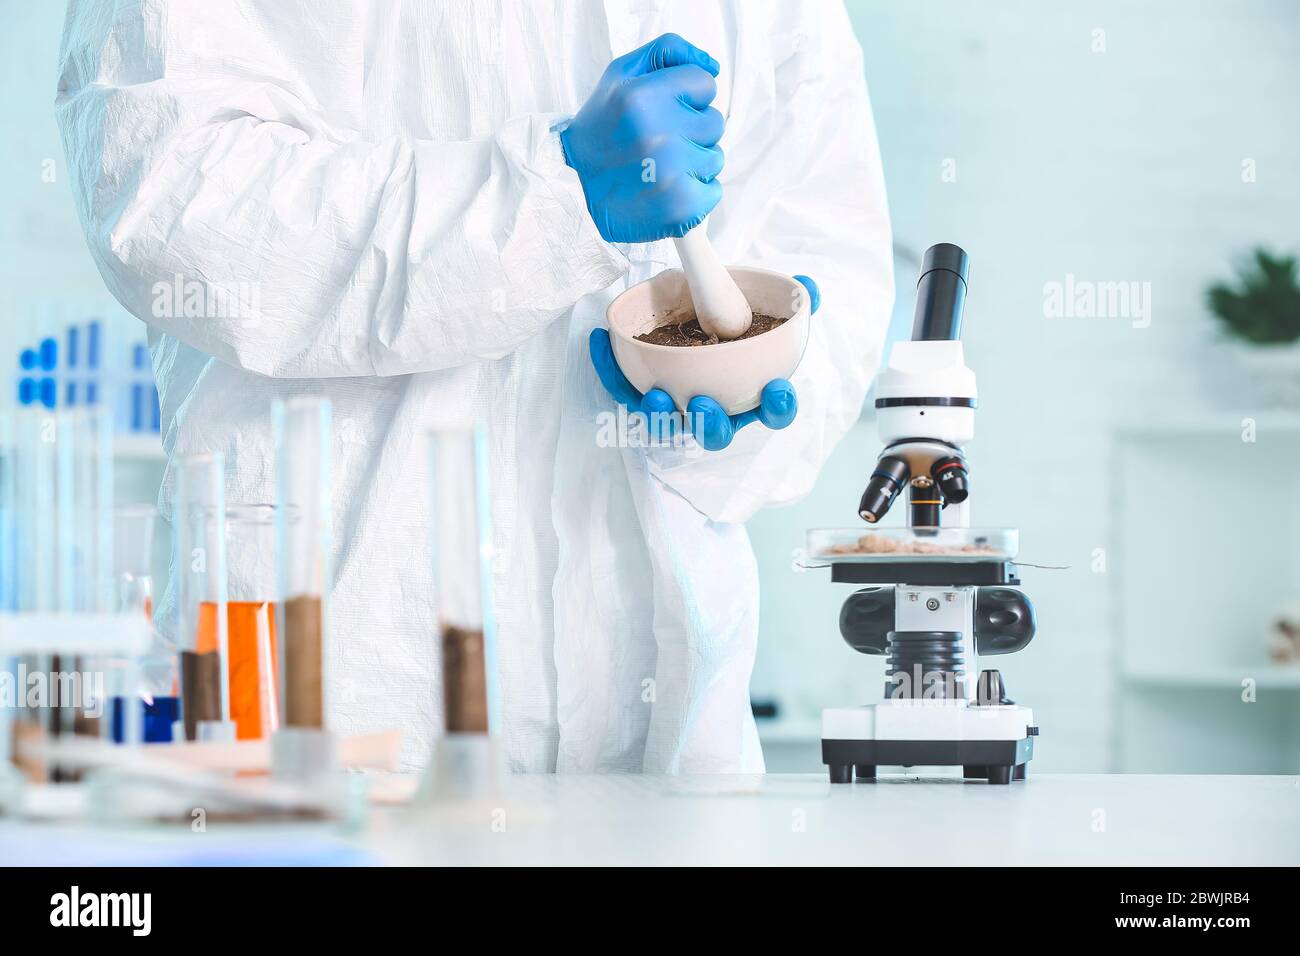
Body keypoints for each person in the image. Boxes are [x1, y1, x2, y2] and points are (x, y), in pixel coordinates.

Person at [56, 1, 893, 772]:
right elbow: (166, 194)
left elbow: (831, 256)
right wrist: (549, 197)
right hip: (339, 706)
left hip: (662, 742)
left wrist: (750, 402)